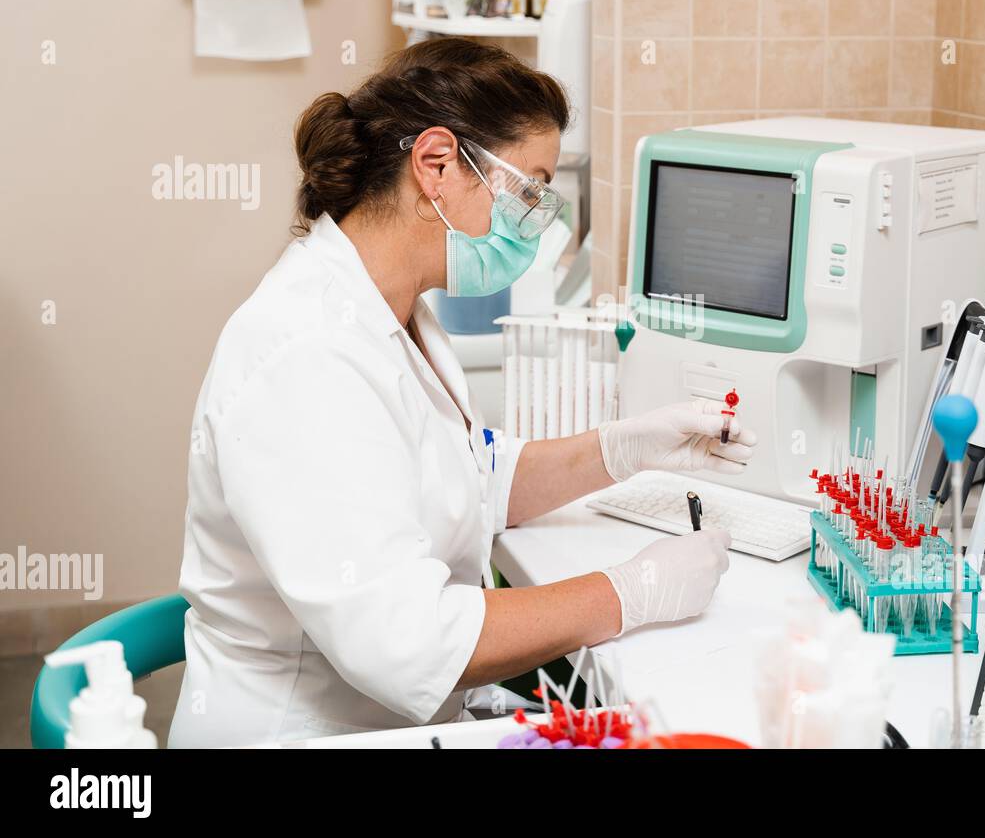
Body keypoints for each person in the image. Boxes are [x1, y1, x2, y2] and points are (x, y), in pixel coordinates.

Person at [169, 38, 756, 747]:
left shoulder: (397, 309)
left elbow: (470, 475)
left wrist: (625, 449)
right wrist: (628, 593)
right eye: (530, 189)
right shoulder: (306, 354)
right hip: (312, 732)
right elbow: (405, 640)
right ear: (436, 164)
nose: (535, 223)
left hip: (392, 720)